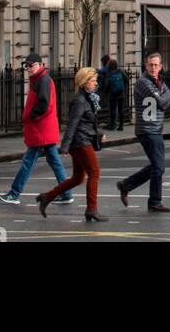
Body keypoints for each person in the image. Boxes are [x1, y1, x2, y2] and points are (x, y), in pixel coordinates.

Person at [0, 54, 73, 206]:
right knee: (55, 162)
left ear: (40, 65)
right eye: (27, 66)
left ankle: (14, 193)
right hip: (45, 129)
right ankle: (66, 193)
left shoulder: (42, 81)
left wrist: (29, 115)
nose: (28, 69)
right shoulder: (41, 80)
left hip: (41, 129)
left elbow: (44, 105)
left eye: (31, 66)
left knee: (28, 162)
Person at [36, 66, 106, 222]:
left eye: (96, 80)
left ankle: (47, 197)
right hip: (80, 142)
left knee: (77, 178)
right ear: (84, 82)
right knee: (94, 172)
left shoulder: (89, 98)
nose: (95, 84)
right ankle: (91, 209)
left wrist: (100, 134)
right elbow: (73, 124)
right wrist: (65, 147)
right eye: (93, 81)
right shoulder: (80, 100)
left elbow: (89, 122)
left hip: (82, 140)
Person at [117, 52, 170, 213]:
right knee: (158, 166)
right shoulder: (143, 82)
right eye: (150, 65)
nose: (153, 68)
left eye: (156, 65)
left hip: (156, 129)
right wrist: (166, 97)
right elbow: (163, 103)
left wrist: (166, 97)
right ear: (145, 65)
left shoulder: (160, 81)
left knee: (157, 166)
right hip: (147, 129)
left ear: (161, 66)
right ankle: (154, 202)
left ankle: (127, 185)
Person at [106, 57, 127, 131]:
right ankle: (121, 125)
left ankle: (113, 125)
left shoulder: (109, 73)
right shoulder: (120, 71)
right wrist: (122, 86)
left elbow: (107, 84)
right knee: (121, 110)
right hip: (121, 93)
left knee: (113, 109)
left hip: (112, 94)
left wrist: (107, 91)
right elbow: (126, 79)